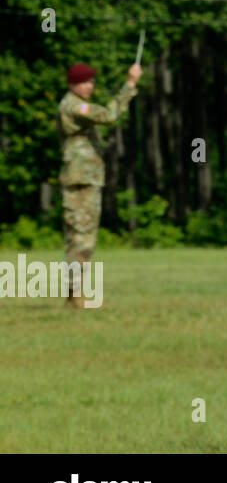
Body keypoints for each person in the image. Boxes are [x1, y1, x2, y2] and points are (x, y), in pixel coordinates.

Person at [57, 60, 141, 306]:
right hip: (81, 180)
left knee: (82, 237)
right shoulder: (74, 106)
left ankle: (75, 295)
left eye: (91, 81)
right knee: (81, 238)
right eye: (84, 82)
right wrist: (131, 83)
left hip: (85, 178)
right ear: (73, 84)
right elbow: (109, 115)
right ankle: (76, 295)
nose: (89, 86)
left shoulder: (74, 104)